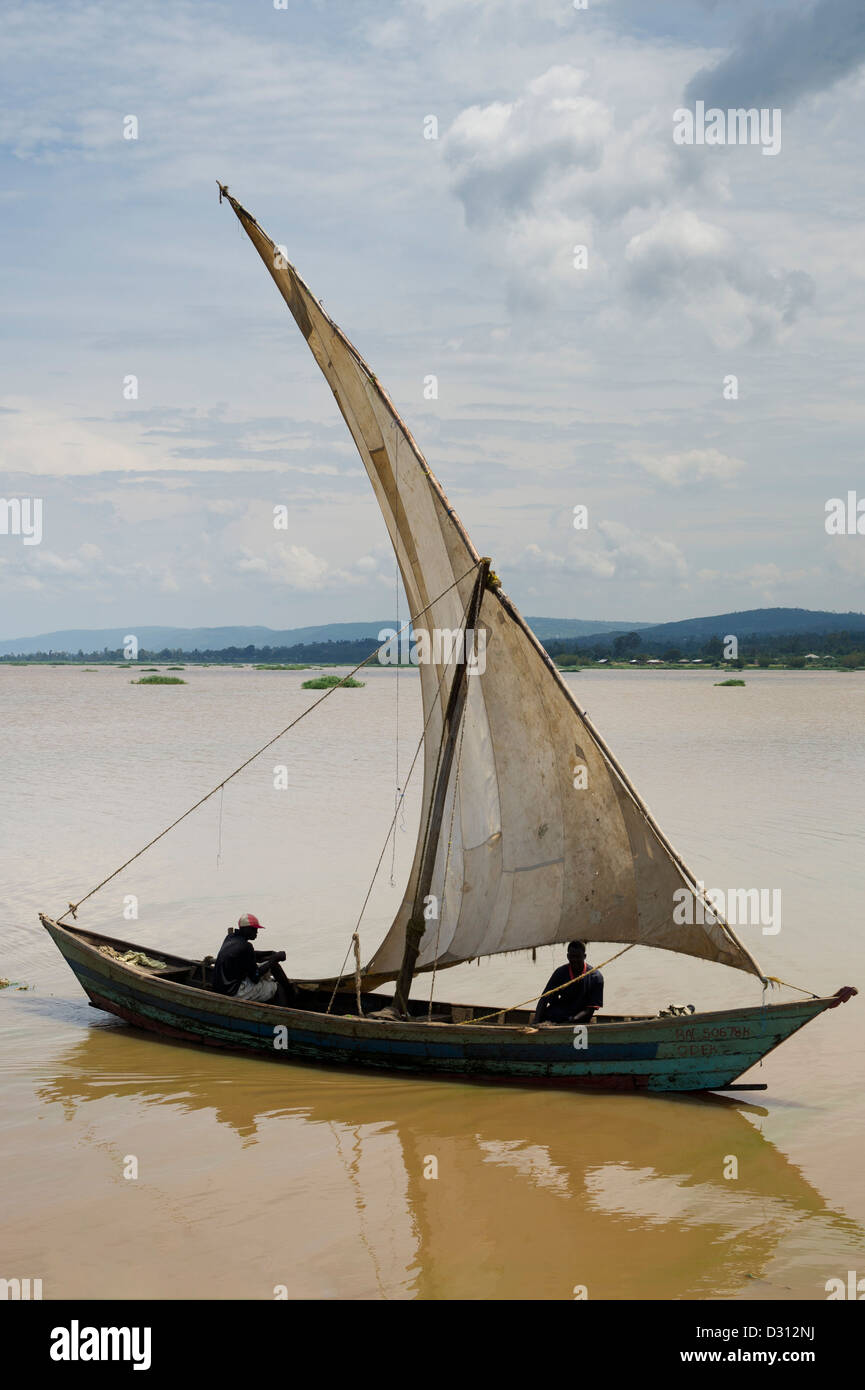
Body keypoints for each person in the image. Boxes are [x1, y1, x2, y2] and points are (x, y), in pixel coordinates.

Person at [212, 912, 290, 1004]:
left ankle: (288, 992)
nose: (256, 932)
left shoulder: (230, 937)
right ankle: (289, 1001)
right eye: (254, 929)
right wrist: (274, 959)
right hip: (233, 992)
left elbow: (251, 955)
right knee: (275, 986)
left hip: (222, 987)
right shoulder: (246, 946)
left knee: (273, 966)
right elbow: (255, 977)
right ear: (246, 929)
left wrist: (270, 953)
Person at [533, 941, 603, 1025]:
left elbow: (589, 1011)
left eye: (578, 957)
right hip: (558, 1015)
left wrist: (567, 1023)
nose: (574, 960)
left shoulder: (595, 977)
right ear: (567, 956)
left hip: (579, 1019)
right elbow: (544, 999)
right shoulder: (560, 972)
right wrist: (535, 1022)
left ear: (584, 956)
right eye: (572, 957)